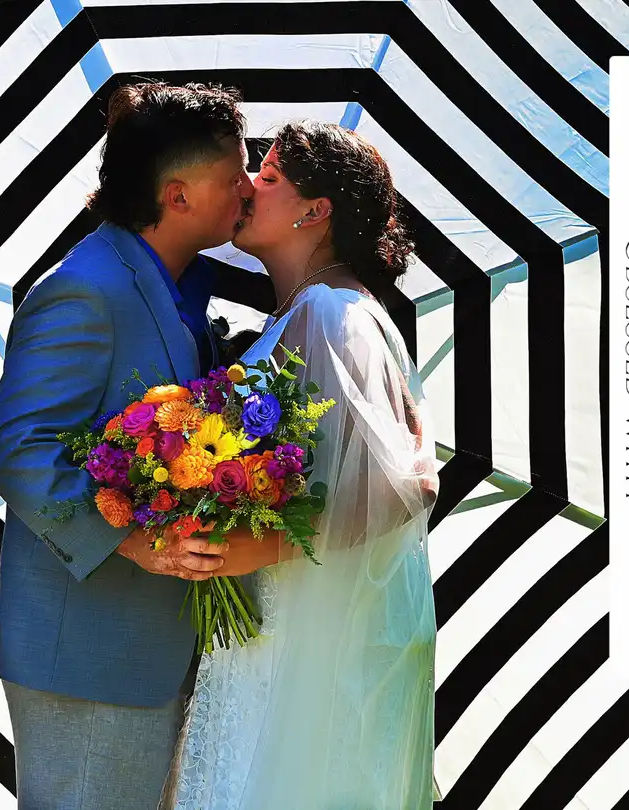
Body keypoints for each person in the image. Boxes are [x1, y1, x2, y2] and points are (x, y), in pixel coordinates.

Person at [0, 81, 254, 810]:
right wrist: (131, 538)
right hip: (88, 657)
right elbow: (16, 447)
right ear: (178, 195)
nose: (250, 189)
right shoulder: (86, 291)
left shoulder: (177, 283)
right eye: (235, 175)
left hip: (152, 651)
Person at [163, 120, 440, 809]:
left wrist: (253, 548)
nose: (247, 184)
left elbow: (399, 486)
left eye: (271, 176)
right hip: (272, 632)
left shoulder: (334, 311)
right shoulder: (304, 316)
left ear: (315, 212)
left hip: (312, 643)